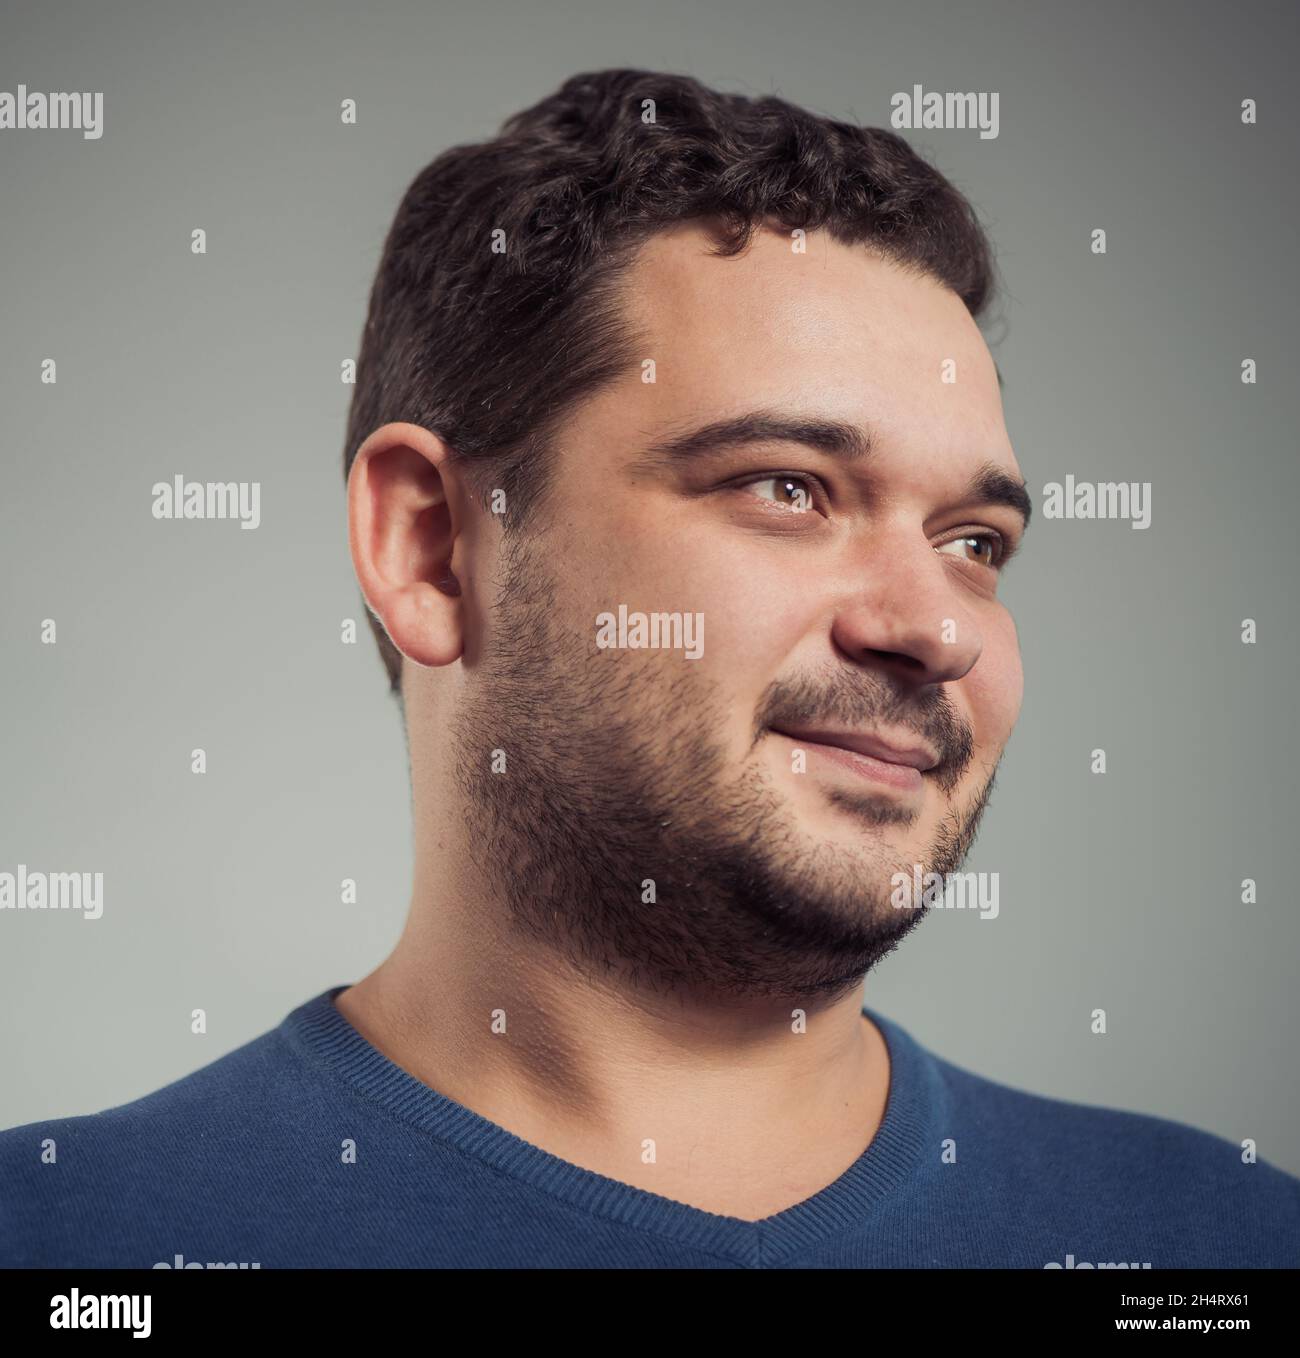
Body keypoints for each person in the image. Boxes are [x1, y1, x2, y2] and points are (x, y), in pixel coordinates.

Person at [2, 68, 1296, 1269]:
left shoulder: (1222, 1242)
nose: (937, 627)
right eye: (787, 487)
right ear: (434, 549)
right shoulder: (67, 1243)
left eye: (973, 541)